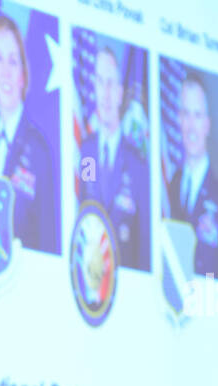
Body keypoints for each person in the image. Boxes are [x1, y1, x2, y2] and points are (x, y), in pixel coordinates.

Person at [0, 15, 57, 253]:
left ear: (23, 72)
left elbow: (47, 240)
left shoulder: (38, 148)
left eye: (13, 61)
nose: (5, 72)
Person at [79, 46, 149, 271]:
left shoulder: (137, 163)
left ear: (120, 93)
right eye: (100, 82)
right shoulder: (87, 152)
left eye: (111, 83)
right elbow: (86, 202)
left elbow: (144, 241)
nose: (106, 94)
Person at [166, 71, 218, 279]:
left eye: (198, 115)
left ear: (207, 124)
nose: (191, 126)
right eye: (186, 114)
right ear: (178, 118)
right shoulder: (172, 185)